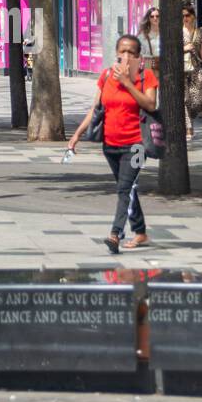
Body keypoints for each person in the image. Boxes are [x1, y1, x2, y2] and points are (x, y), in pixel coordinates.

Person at [67, 35, 159, 254]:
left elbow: (151, 104)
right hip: (111, 144)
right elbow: (95, 108)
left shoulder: (146, 77)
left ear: (138, 56)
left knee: (124, 188)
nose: (126, 56)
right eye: (122, 51)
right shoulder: (107, 75)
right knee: (128, 189)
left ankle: (115, 234)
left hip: (137, 145)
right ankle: (141, 231)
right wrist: (77, 134)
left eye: (131, 52)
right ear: (116, 53)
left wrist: (128, 83)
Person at [181, 7, 202, 141]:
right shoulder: (178, 32)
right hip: (181, 70)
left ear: (193, 16)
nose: (185, 18)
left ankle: (201, 105)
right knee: (185, 100)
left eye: (187, 15)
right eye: (182, 16)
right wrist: (184, 48)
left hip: (195, 69)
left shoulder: (199, 33)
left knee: (195, 101)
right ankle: (189, 128)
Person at [137, 7, 161, 72]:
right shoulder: (142, 36)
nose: (155, 18)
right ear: (148, 18)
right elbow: (139, 54)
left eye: (157, 16)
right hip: (148, 69)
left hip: (163, 69)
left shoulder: (166, 34)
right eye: (152, 16)